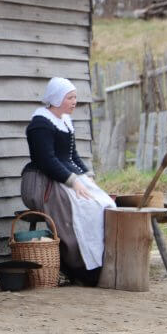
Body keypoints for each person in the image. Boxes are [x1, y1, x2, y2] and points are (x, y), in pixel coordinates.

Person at [20, 77, 116, 286]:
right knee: (83, 209)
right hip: (44, 181)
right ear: (56, 98)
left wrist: (86, 176)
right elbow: (46, 160)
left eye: (75, 97)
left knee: (105, 203)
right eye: (70, 97)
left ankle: (99, 262)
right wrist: (73, 181)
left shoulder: (64, 120)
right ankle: (79, 266)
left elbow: (72, 156)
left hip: (67, 176)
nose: (74, 102)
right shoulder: (40, 124)